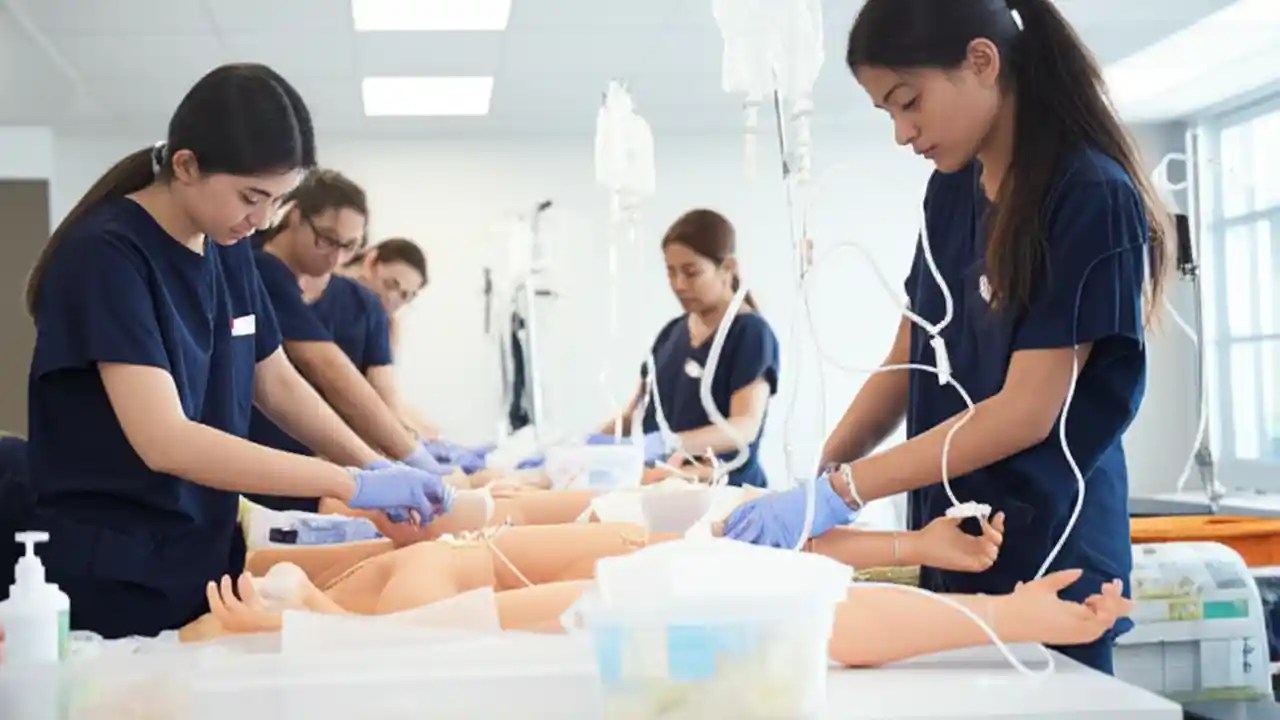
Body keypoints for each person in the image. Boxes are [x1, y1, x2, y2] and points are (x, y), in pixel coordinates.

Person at [722, 0, 1169, 675]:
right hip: (952, 534)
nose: (903, 132)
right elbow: (910, 355)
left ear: (981, 62)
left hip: (1050, 548)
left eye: (909, 102)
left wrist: (845, 490)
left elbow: (1026, 412)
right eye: (888, 114)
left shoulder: (1088, 198)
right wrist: (815, 477)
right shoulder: (950, 192)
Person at [13, 64, 452, 640]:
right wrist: (350, 484)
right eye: (252, 197)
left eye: (277, 201)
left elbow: (275, 382)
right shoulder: (107, 257)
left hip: (200, 554)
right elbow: (165, 438)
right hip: (116, 565)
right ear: (186, 165)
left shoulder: (228, 246)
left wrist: (376, 463)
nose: (264, 219)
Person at [184, 521, 1125, 673]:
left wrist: (913, 546)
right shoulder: (366, 605)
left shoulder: (347, 582)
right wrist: (301, 617)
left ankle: (1008, 615)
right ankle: (1010, 617)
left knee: (773, 594)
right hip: (432, 601)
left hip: (433, 587)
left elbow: (771, 544)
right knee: (784, 611)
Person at [248, 171, 457, 512]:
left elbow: (382, 394)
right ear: (295, 215)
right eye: (327, 240)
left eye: (349, 246)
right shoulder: (258, 269)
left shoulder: (363, 304)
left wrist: (413, 445)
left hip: (318, 471)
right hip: (263, 471)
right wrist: (397, 460)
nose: (336, 258)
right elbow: (324, 371)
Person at [595, 209, 781, 488]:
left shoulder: (750, 334)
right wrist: (589, 447)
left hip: (723, 491)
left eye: (691, 272)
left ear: (727, 268)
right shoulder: (671, 334)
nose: (679, 284)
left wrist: (672, 443)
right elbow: (636, 411)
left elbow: (745, 426)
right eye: (671, 272)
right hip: (664, 487)